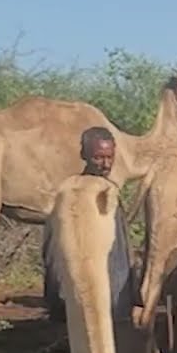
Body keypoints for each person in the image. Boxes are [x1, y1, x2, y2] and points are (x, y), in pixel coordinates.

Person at [43, 126, 137, 325]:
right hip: (81, 292)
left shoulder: (110, 192)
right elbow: (54, 248)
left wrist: (132, 289)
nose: (105, 164)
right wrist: (61, 293)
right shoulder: (70, 193)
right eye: (98, 157)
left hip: (115, 294)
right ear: (84, 155)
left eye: (109, 157)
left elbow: (122, 249)